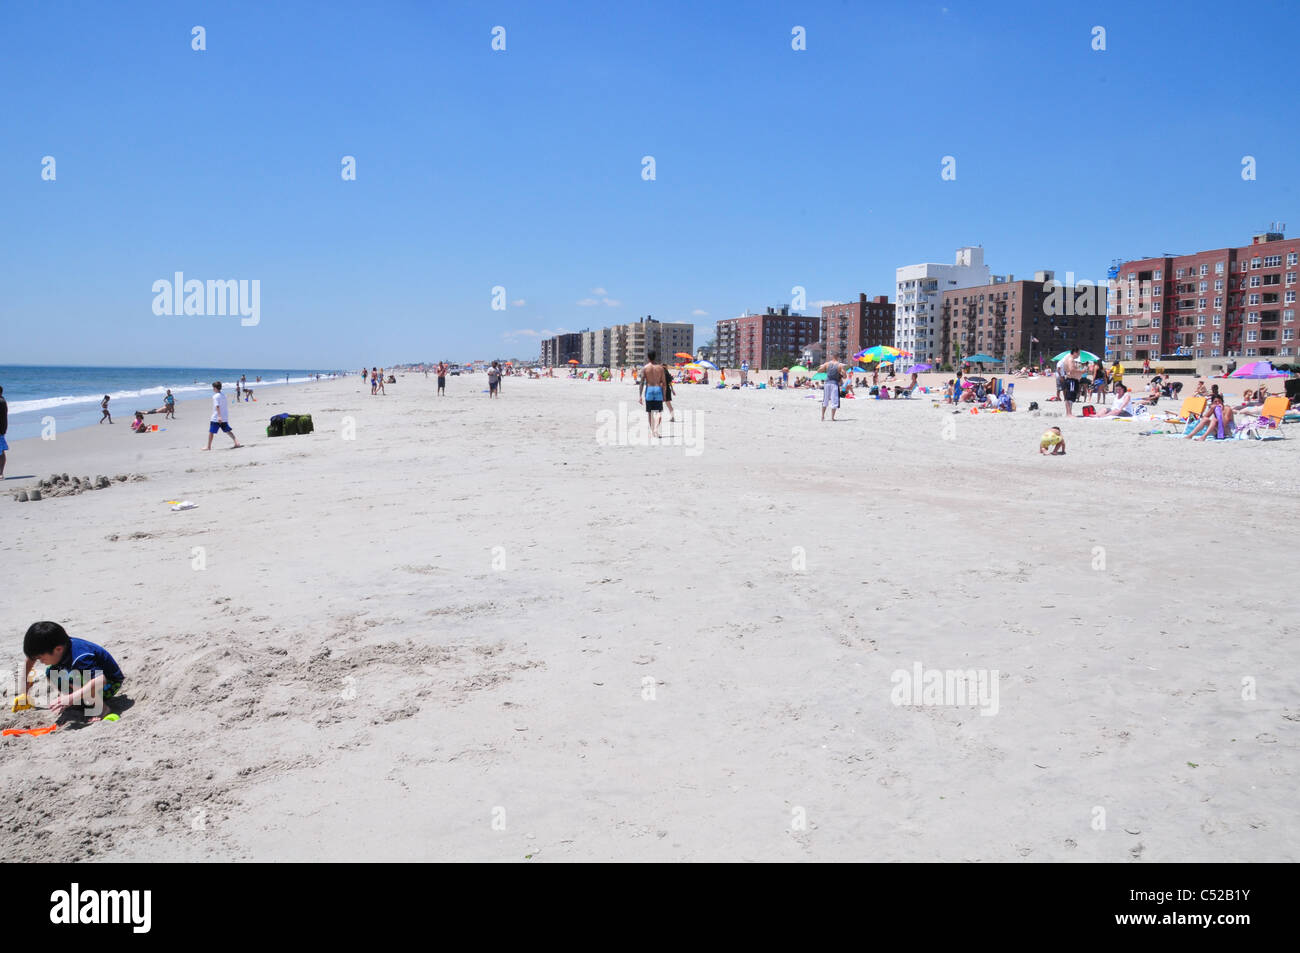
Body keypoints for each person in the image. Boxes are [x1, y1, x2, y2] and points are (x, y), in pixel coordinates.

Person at [18, 621, 125, 718]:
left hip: (109, 683)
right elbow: (30, 659)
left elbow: (101, 680)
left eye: (41, 658)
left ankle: (102, 709)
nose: (40, 661)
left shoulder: (80, 657)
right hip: (90, 679)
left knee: (75, 677)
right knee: (52, 672)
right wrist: (23, 691)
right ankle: (78, 700)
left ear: (58, 649)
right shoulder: (59, 645)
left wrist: (71, 698)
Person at [638, 350, 668, 438]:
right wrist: (665, 395)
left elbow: (641, 383)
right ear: (655, 357)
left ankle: (652, 431)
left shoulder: (645, 368)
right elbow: (664, 383)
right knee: (659, 412)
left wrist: (640, 396)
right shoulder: (660, 368)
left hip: (649, 390)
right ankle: (656, 429)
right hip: (658, 389)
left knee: (650, 413)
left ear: (648, 357)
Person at [203, 381, 241, 450]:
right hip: (224, 416)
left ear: (215, 388)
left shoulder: (215, 396)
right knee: (227, 431)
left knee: (211, 432)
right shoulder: (223, 395)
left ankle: (208, 447)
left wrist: (219, 416)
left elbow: (217, 406)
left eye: (213, 388)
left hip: (216, 417)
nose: (213, 389)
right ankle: (236, 442)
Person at [815, 357, 844, 421]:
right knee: (834, 400)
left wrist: (825, 369)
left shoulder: (827, 364)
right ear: (838, 357)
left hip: (827, 383)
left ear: (832, 357)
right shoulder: (839, 365)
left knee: (825, 400)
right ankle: (832, 417)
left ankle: (822, 416)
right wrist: (841, 371)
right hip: (834, 384)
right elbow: (844, 376)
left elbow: (818, 371)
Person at [1061, 348, 1084, 417]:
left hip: (1071, 379)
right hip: (1071, 380)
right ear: (1074, 352)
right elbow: (1071, 370)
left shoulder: (1067, 358)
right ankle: (1069, 413)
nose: (1079, 355)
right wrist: (1081, 371)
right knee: (1069, 397)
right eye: (1078, 353)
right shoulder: (1070, 359)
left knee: (1071, 396)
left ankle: (1069, 413)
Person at [0, 384, 7, 480]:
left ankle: (1, 473)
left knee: (0, 452)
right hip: (1, 430)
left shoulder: (1, 402)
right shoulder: (2, 401)